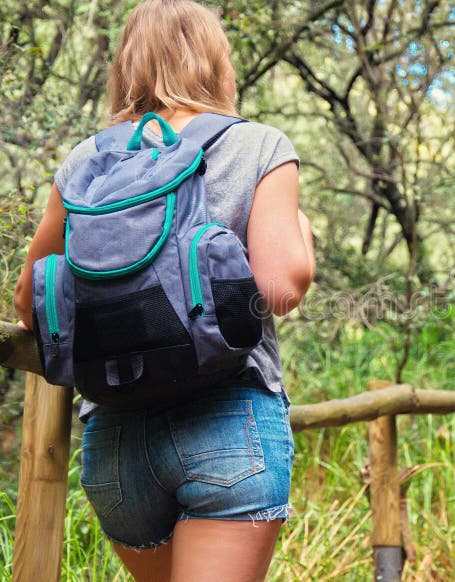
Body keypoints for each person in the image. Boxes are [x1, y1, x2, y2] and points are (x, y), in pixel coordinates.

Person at [13, 0, 315, 580]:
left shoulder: (88, 160)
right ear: (217, 62)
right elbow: (280, 288)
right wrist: (302, 235)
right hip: (230, 419)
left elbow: (30, 301)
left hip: (117, 437)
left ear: (126, 63)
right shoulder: (258, 146)